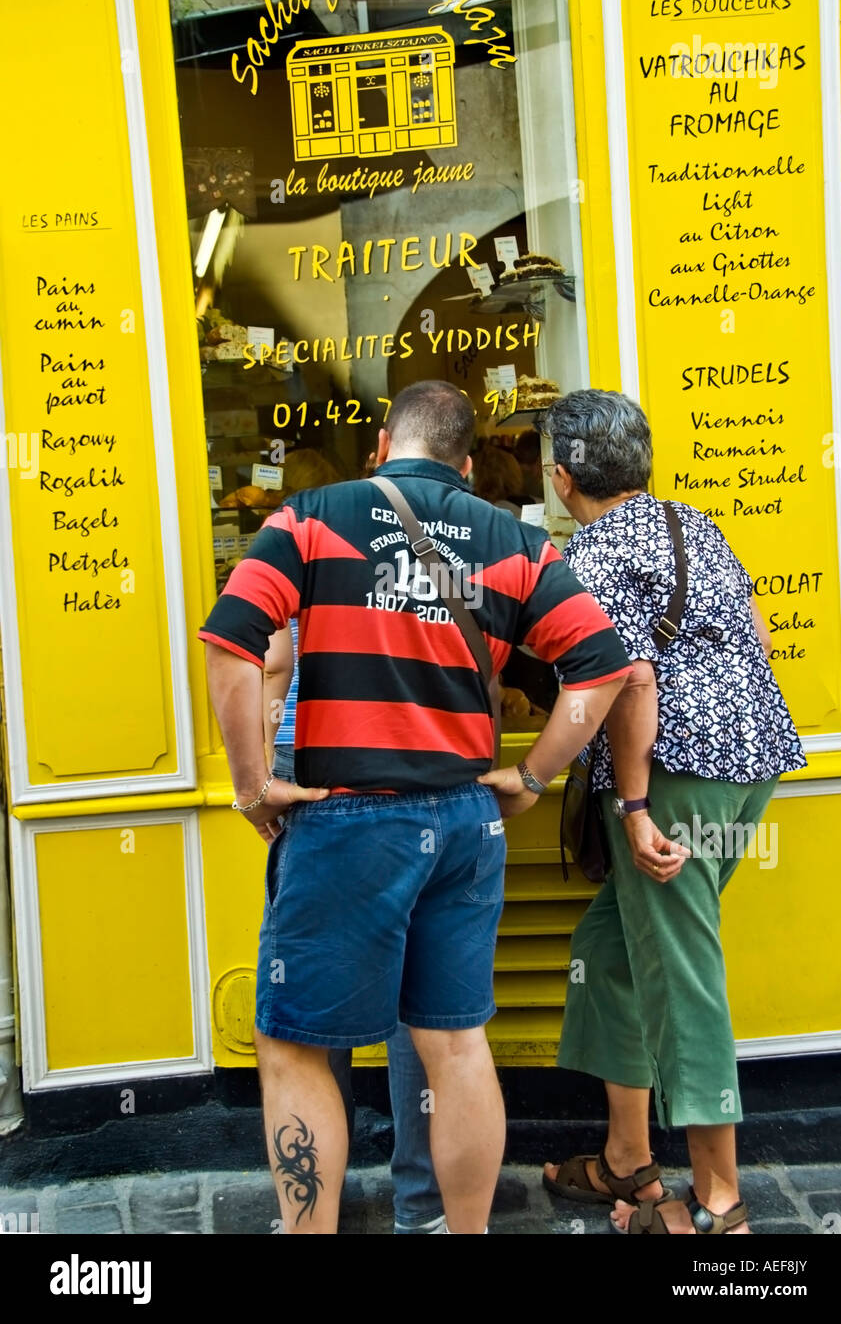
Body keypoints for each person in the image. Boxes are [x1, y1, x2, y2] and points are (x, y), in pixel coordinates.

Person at [200, 380, 634, 1235]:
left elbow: (232, 643)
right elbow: (602, 667)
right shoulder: (518, 541)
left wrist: (251, 784)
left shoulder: (309, 518)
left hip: (344, 819)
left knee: (291, 1049)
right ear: (467, 464)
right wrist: (536, 774)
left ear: (380, 450)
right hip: (463, 822)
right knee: (455, 1042)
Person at [535, 389, 806, 1235]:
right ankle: (627, 1163)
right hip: (747, 764)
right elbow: (759, 642)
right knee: (608, 952)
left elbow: (630, 680)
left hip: (674, 780)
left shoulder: (593, 552)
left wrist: (635, 804)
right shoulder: (694, 524)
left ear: (559, 478)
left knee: (681, 969)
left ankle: (719, 1200)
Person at [263, 620, 445, 1234]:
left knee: (314, 994)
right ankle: (422, 1208)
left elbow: (266, 667)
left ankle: (319, 1205)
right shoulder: (452, 537)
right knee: (419, 1003)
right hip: (424, 759)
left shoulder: (300, 534)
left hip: (312, 759)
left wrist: (256, 779)